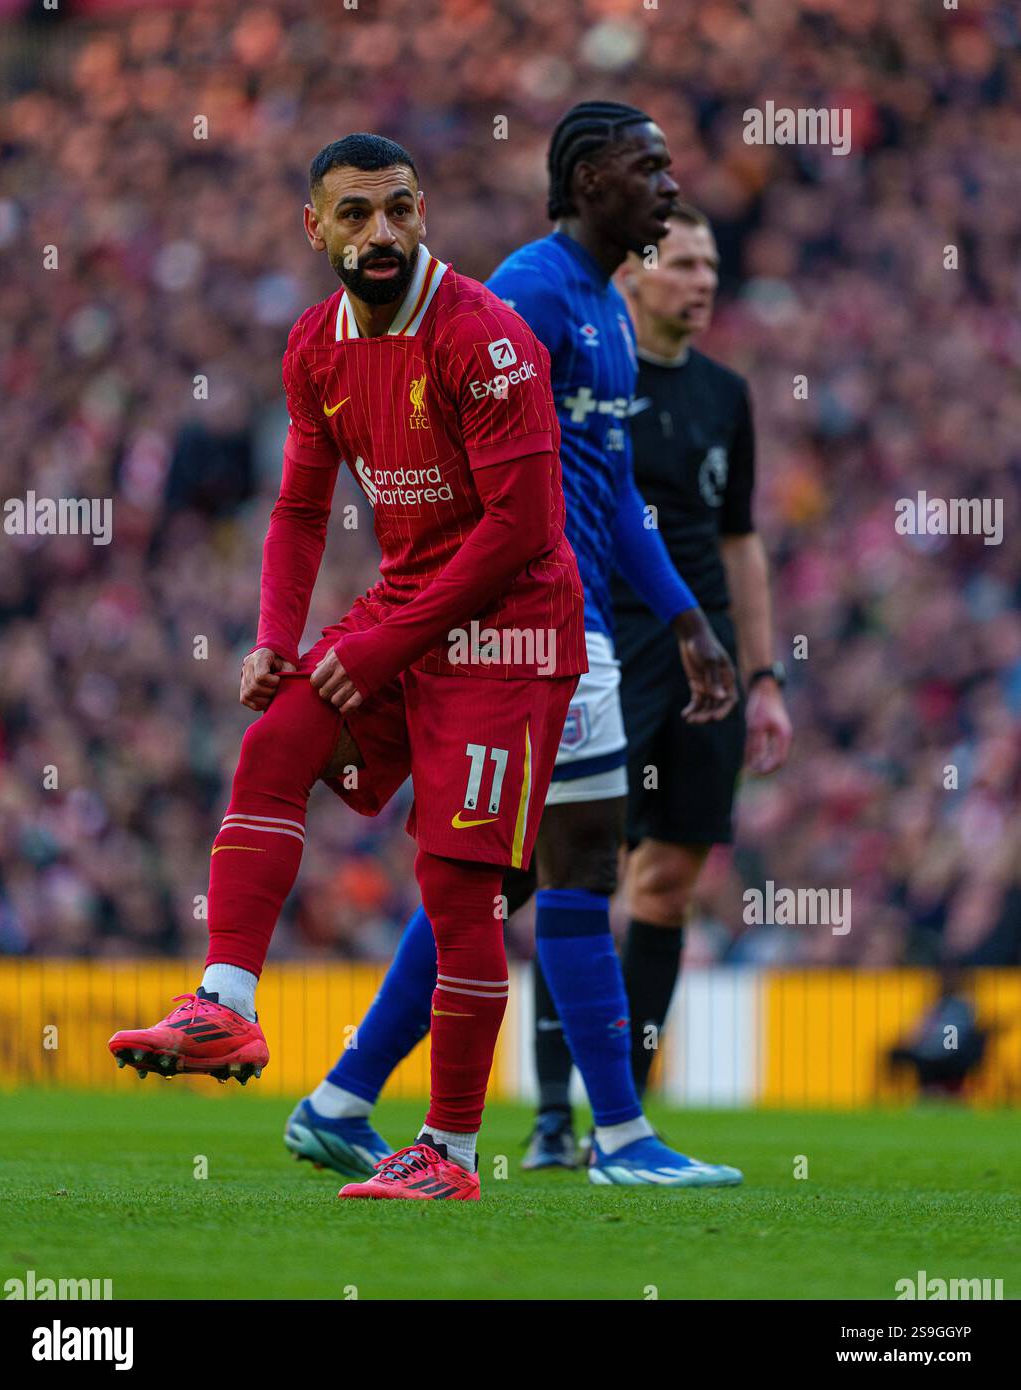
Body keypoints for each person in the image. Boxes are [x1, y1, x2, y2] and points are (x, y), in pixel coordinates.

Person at [108, 132, 588, 1203]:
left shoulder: (486, 337)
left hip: (506, 632)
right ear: (314, 226)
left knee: (459, 887)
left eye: (401, 210)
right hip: (409, 604)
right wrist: (278, 637)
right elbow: (297, 505)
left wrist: (377, 643)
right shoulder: (314, 346)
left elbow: (522, 528)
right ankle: (225, 1001)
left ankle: (450, 1154)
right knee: (275, 734)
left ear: (424, 214)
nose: (382, 233)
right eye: (358, 213)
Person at [290, 102, 744, 1189]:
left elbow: (617, 488)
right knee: (555, 869)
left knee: (499, 881)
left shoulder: (605, 309)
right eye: (650, 169)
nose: (670, 189)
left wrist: (686, 618)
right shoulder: (526, 297)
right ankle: (614, 1139)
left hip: (570, 626)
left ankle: (346, 1093)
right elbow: (456, 465)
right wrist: (444, 615)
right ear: (589, 179)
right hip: (524, 631)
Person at [527, 206, 793, 1159]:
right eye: (683, 261)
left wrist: (763, 674)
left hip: (703, 649)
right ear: (633, 276)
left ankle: (620, 1117)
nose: (704, 279)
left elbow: (740, 540)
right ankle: (554, 1110)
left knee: (667, 881)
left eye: (712, 263)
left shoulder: (726, 395)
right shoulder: (598, 375)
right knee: (563, 869)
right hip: (606, 637)